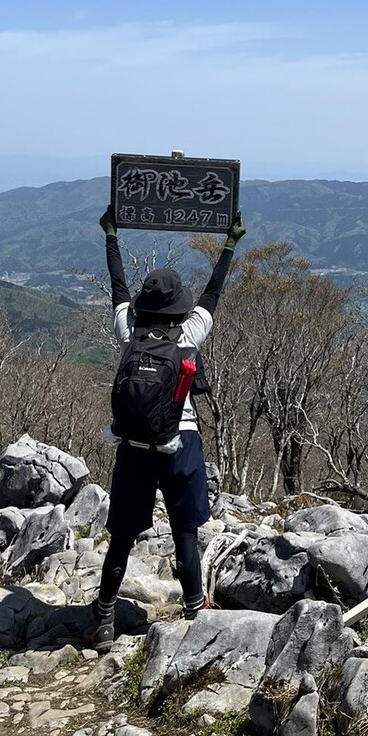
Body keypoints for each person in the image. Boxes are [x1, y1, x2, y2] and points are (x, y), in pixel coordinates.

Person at [89, 205, 246, 652]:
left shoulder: (129, 331)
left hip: (134, 445)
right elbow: (214, 293)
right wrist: (231, 242)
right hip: (182, 443)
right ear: (178, 305)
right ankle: (195, 611)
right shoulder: (189, 334)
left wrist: (111, 237)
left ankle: (103, 619)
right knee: (185, 533)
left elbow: (118, 287)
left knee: (122, 535)